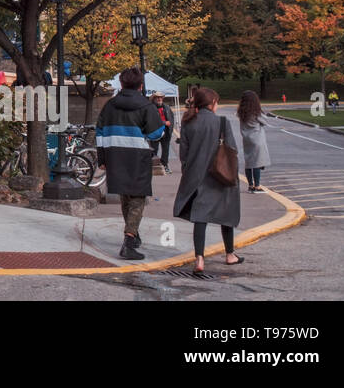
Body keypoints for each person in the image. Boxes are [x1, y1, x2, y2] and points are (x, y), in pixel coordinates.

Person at [95, 68, 165, 260]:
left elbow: (99, 133)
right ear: (141, 85)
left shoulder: (110, 106)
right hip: (137, 157)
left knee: (125, 196)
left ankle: (132, 234)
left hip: (114, 155)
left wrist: (102, 159)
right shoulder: (146, 107)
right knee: (137, 198)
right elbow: (157, 133)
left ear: (122, 84)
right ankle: (129, 239)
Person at [174, 87, 243, 277]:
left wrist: (188, 170)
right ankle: (230, 254)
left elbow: (184, 155)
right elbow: (232, 150)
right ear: (212, 103)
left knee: (200, 217)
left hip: (196, 176)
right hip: (219, 175)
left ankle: (199, 258)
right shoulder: (221, 122)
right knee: (226, 212)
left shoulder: (188, 123)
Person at [237, 90, 270, 193]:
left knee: (249, 163)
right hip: (257, 139)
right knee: (257, 163)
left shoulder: (241, 112)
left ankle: (250, 185)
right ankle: (257, 186)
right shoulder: (256, 112)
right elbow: (265, 121)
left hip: (247, 139)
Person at [150, 92, 175, 173]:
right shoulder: (151, 108)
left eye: (161, 97)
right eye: (157, 97)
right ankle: (153, 165)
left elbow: (171, 118)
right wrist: (164, 123)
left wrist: (170, 128)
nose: (159, 99)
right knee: (154, 150)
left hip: (166, 132)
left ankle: (165, 165)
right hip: (155, 132)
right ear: (154, 98)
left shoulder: (167, 107)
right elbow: (152, 119)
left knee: (166, 150)